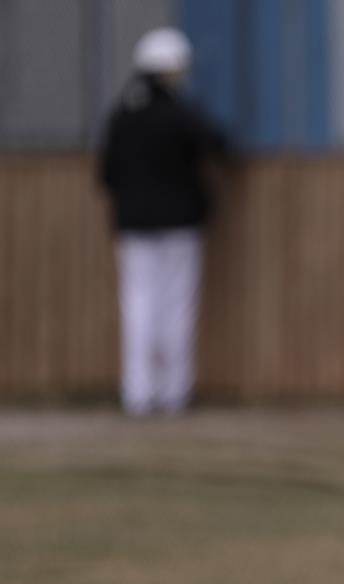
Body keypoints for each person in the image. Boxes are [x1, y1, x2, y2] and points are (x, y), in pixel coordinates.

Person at [96, 27, 229, 418]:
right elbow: (218, 144)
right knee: (176, 305)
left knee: (138, 305)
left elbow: (105, 174)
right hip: (181, 225)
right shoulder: (180, 113)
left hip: (133, 226)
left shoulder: (122, 115)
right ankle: (173, 393)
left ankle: (137, 394)